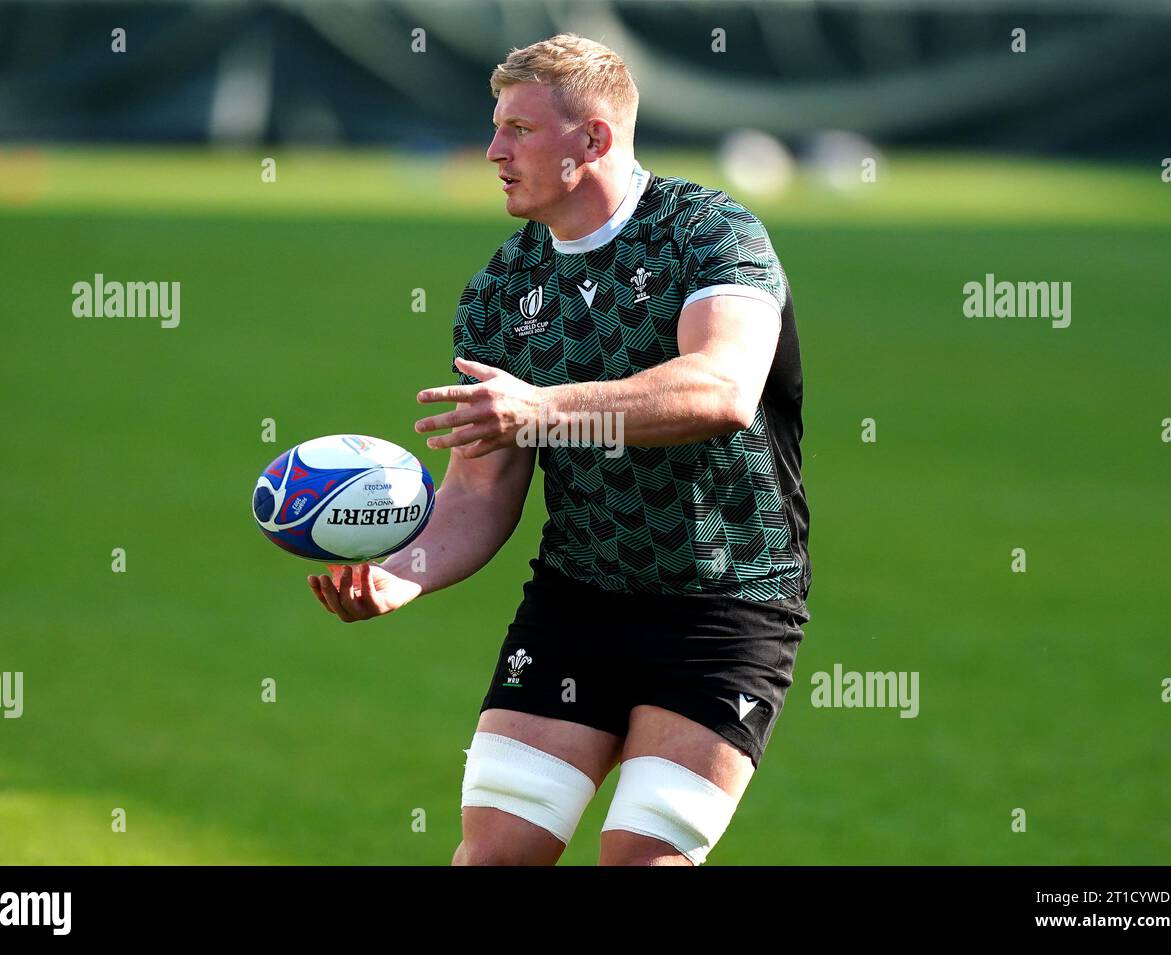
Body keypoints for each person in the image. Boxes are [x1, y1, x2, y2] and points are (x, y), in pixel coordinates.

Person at [308, 33, 811, 866]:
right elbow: (477, 493)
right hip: (579, 601)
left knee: (639, 861)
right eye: (495, 126)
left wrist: (540, 409)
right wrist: (402, 574)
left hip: (726, 604)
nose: (493, 150)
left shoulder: (711, 234)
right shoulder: (500, 293)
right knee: (493, 855)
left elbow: (721, 391)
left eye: (520, 130)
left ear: (596, 139)